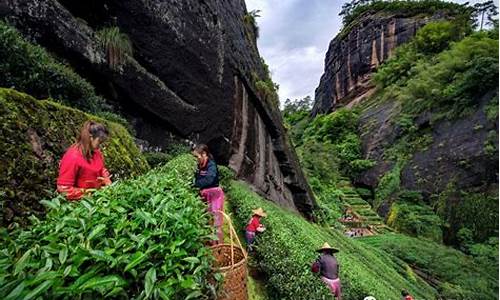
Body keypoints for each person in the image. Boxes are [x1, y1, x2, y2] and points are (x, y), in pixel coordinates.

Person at [57, 121, 112, 201]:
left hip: (96, 199)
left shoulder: (97, 153)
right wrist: (89, 194)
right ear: (90, 138)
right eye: (99, 142)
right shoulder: (73, 157)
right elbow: (63, 188)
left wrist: (107, 181)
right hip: (79, 205)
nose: (101, 146)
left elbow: (101, 169)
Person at [192, 144, 224, 244]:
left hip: (215, 195)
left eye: (197, 156)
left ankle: (219, 248)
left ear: (204, 154)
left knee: (216, 221)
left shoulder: (211, 165)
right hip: (204, 195)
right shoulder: (199, 165)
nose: (196, 159)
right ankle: (209, 242)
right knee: (206, 219)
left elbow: (209, 179)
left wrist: (195, 185)